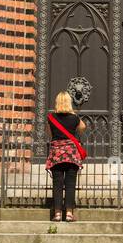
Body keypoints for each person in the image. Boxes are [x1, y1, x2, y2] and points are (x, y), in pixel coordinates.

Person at [45, 90, 86, 221]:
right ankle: (68, 213)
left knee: (57, 183)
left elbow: (49, 134)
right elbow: (83, 128)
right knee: (70, 183)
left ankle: (57, 214)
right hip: (71, 154)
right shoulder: (74, 118)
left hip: (57, 153)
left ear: (57, 102)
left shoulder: (51, 118)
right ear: (69, 102)